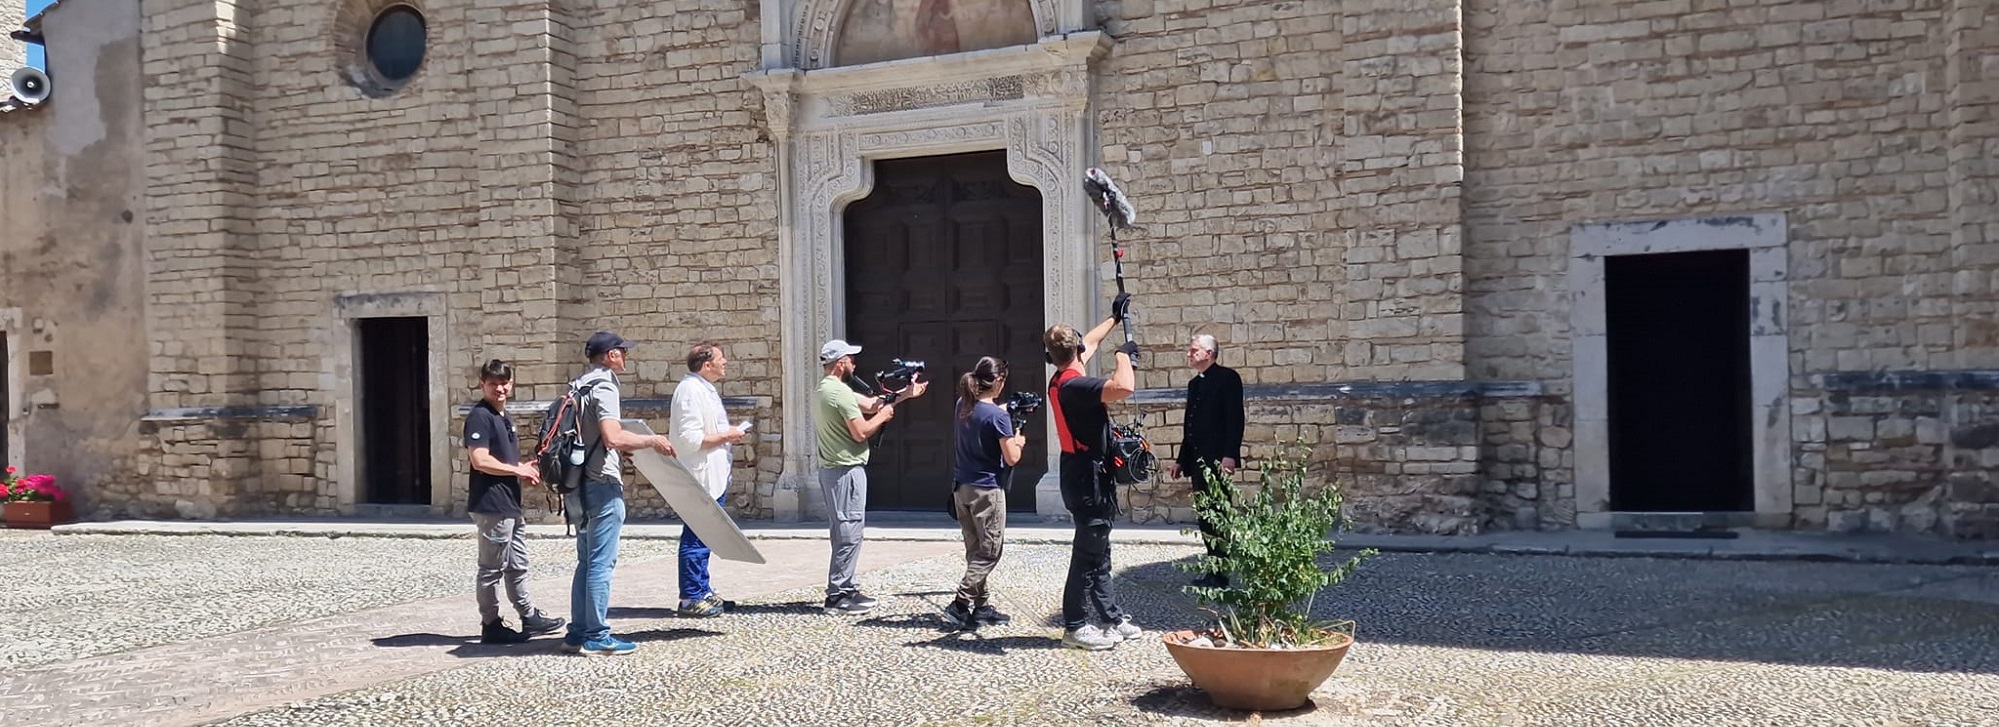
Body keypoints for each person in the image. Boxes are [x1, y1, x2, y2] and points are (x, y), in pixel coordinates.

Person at [561, 330, 675, 656]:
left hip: (578, 482)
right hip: (602, 484)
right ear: (611, 355)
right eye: (623, 352)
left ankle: (578, 631)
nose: (626, 357)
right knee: (601, 562)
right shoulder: (606, 385)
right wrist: (653, 441)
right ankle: (597, 634)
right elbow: (612, 436)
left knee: (585, 561)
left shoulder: (579, 384)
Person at [1045, 293, 1141, 650]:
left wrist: (1114, 319)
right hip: (1086, 478)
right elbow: (1124, 387)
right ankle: (1075, 625)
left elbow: (1090, 340)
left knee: (1100, 548)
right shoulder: (1075, 387)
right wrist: (1123, 355)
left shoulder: (1063, 374)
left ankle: (1111, 617)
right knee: (1087, 552)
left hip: (1087, 474)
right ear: (1075, 353)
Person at [814, 338, 929, 615]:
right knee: (849, 532)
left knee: (844, 530)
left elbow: (871, 404)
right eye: (851, 359)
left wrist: (905, 394)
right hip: (844, 470)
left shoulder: (828, 389)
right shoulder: (839, 393)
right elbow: (862, 431)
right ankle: (837, 595)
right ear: (841, 364)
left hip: (836, 470)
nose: (855, 363)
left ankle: (847, 586)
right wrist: (884, 417)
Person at [464, 359, 567, 644]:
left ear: (512, 383)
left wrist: (523, 467)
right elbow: (480, 460)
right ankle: (491, 624)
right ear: (482, 384)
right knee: (491, 569)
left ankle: (528, 615)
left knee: (517, 564)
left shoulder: (502, 416)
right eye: (493, 383)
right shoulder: (480, 416)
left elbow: (499, 460)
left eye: (504, 383)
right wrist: (516, 470)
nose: (500, 388)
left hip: (509, 503)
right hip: (491, 504)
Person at [942, 355, 1026, 629]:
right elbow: (1011, 457)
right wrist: (1019, 440)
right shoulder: (999, 417)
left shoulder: (962, 405)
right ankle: (959, 603)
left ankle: (981, 607)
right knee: (990, 551)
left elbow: (983, 415)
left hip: (962, 488)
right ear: (999, 380)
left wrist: (1003, 411)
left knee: (975, 549)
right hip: (987, 491)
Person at [668, 341, 749, 618]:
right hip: (699, 477)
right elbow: (690, 440)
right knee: (697, 537)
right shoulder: (689, 391)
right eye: (720, 358)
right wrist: (728, 435)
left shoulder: (704, 389)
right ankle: (691, 597)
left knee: (706, 537)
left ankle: (703, 590)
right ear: (706, 364)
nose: (725, 362)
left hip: (713, 475)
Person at [1169, 333, 1245, 588]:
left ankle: (1221, 572)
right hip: (1198, 462)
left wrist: (1230, 455)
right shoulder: (1194, 384)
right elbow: (1189, 427)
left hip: (1218, 460)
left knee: (1219, 515)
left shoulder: (1228, 379)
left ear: (1208, 353)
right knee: (1205, 516)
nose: (1189, 354)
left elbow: (1235, 420)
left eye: (1193, 351)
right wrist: (1181, 460)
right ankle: (1213, 568)